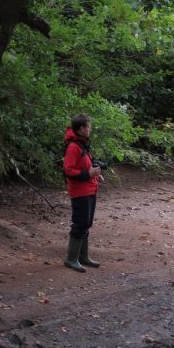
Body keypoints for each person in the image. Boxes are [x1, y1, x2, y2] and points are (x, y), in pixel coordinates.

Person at [62, 114, 103, 272]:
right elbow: (68, 170)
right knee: (80, 223)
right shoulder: (73, 147)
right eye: (88, 126)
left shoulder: (82, 145)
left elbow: (86, 165)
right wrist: (88, 174)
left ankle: (83, 257)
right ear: (81, 129)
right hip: (80, 191)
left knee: (87, 223)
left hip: (90, 188)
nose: (90, 129)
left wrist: (95, 173)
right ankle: (71, 259)